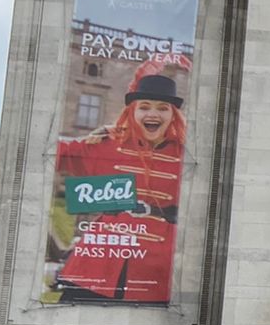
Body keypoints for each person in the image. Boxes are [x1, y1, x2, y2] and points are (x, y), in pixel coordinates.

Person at [48, 62, 188, 306]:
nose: (153, 115)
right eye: (144, 107)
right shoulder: (108, 143)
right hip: (98, 265)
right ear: (133, 112)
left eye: (162, 109)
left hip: (156, 268)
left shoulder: (185, 156)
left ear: (172, 115)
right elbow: (50, 154)